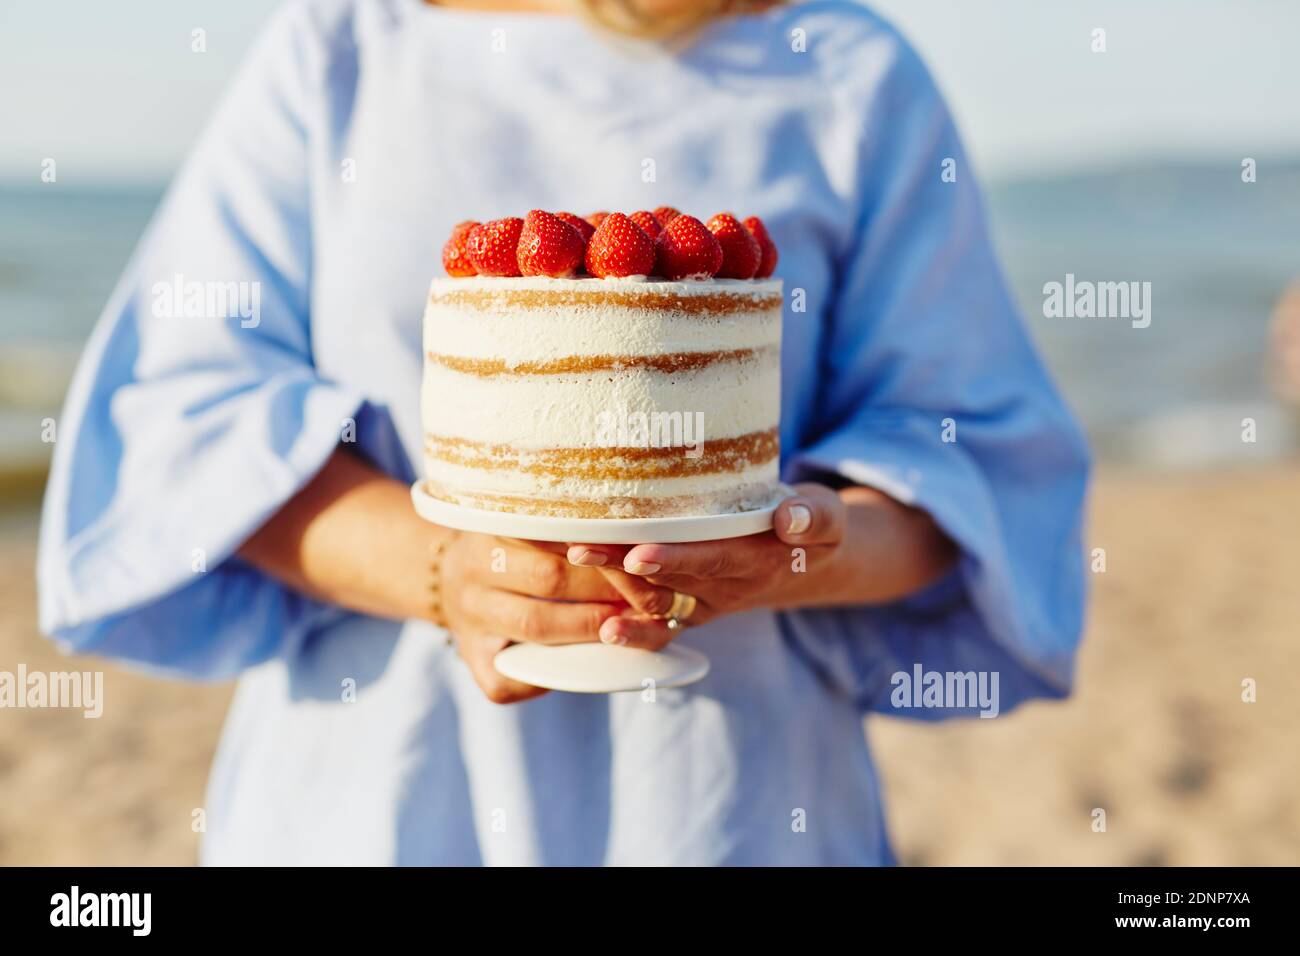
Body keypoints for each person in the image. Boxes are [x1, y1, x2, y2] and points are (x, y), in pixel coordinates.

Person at [37, 0, 1090, 865]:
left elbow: (967, 461)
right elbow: (182, 418)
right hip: (374, 795)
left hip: (726, 804)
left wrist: (794, 551)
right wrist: (446, 572)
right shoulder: (341, 43)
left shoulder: (847, 68)